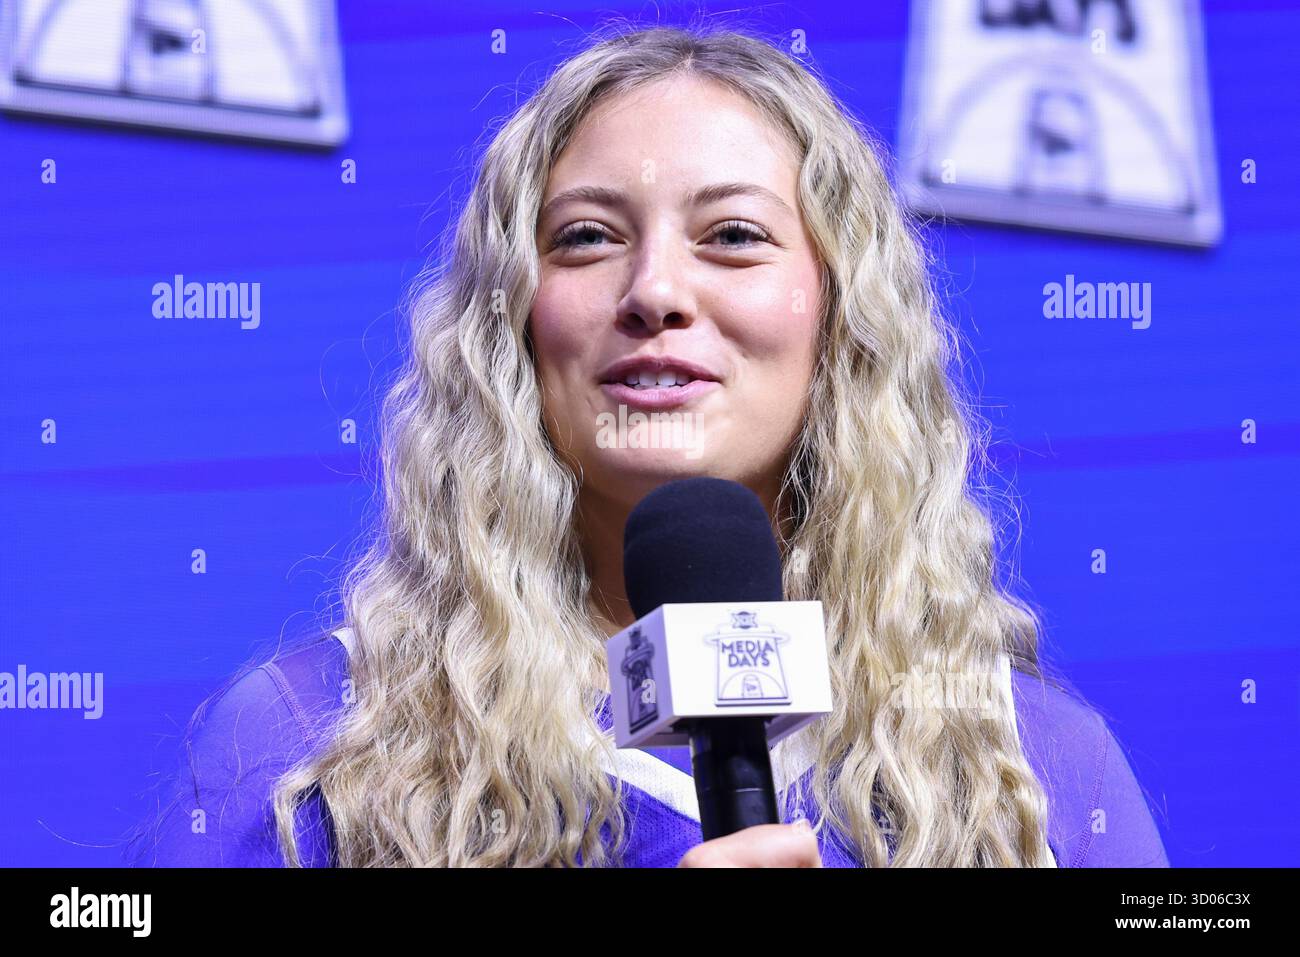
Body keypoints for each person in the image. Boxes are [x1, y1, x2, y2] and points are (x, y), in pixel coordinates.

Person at [123, 23, 1169, 868]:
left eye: (733, 237)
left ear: (838, 317)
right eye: (587, 237)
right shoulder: (314, 747)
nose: (656, 292)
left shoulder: (1023, 767)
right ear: (511, 322)